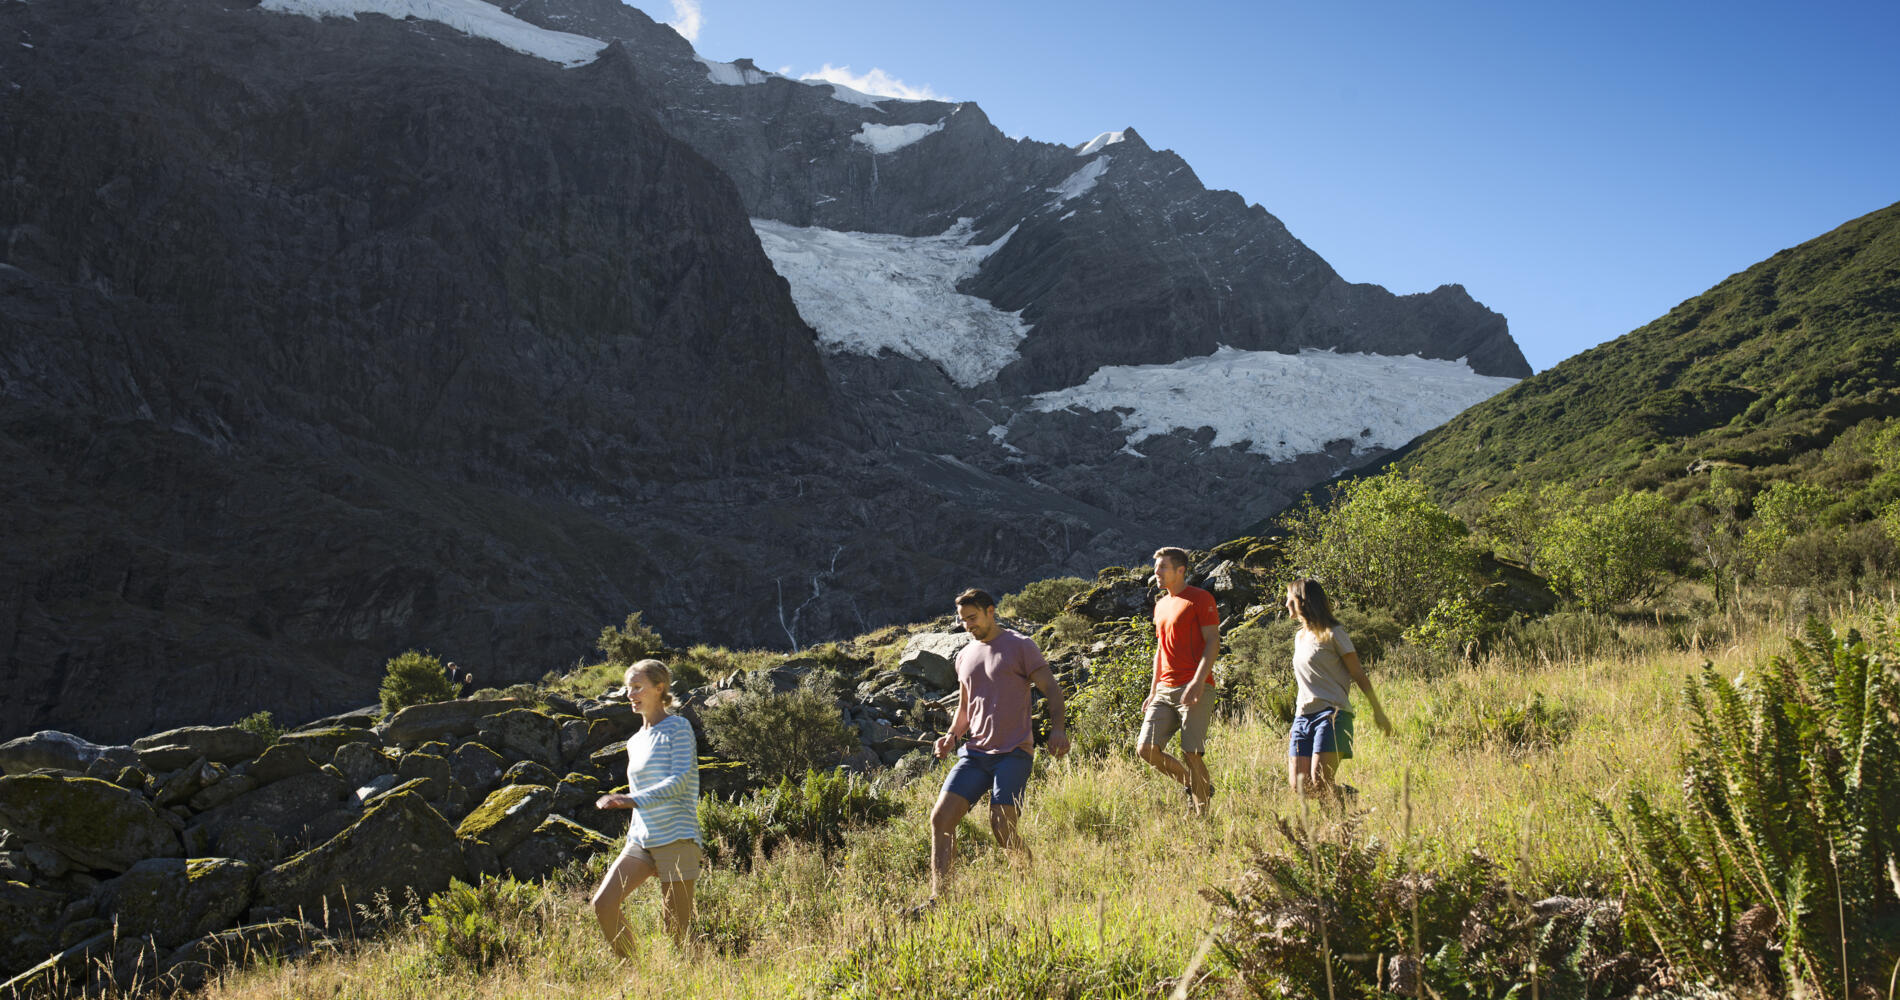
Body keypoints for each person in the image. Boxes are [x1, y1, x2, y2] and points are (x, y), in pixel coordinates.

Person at [920, 588, 1070, 911]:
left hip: (1014, 752)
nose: (968, 626)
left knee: (1002, 826)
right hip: (974, 754)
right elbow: (964, 707)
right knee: (940, 819)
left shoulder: (1020, 646)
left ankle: (1029, 887)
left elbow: (1052, 690)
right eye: (963, 621)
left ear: (991, 611)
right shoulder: (964, 656)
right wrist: (950, 737)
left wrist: (1058, 728)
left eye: (972, 618)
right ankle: (939, 900)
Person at [592, 659, 701, 954]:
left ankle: (692, 981)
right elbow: (643, 788)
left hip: (676, 837)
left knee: (676, 932)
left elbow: (679, 781)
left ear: (659, 688)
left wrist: (629, 800)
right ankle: (634, 972)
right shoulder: (634, 742)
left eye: (638, 687)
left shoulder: (678, 728)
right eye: (628, 688)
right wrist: (632, 806)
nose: (631, 694)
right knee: (604, 904)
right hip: (641, 839)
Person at [1284, 578, 1393, 798]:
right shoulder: (1299, 637)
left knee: (1320, 781)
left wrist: (1378, 711)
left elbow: (1358, 674)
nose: (1286, 604)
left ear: (1302, 601)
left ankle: (1337, 827)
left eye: (1290, 598)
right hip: (1303, 717)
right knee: (1300, 786)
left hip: (1332, 714)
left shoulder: (1333, 633)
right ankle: (1346, 797)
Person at [1138, 547, 1221, 813]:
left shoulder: (1200, 598)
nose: (1156, 572)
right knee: (1146, 749)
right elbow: (1160, 650)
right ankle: (1194, 785)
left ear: (1180, 570)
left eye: (1163, 567)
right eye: (1156, 567)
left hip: (1194, 686)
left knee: (1191, 753)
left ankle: (1202, 816)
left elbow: (1213, 642)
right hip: (1164, 689)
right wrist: (1153, 691)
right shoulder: (1160, 605)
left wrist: (1198, 682)